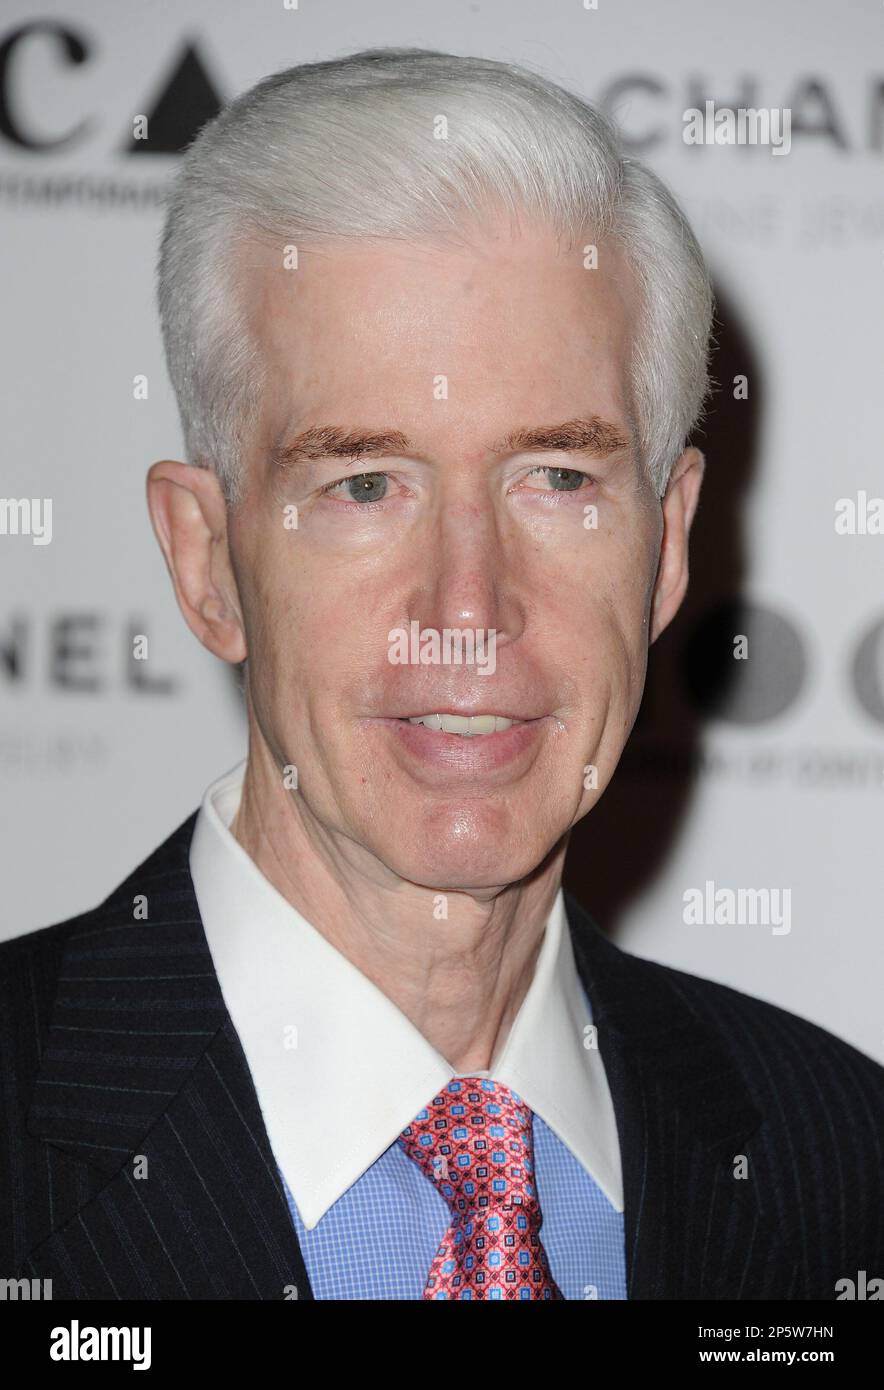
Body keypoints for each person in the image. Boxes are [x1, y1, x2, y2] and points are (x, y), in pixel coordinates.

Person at [2, 48, 881, 1301]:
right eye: (364, 484)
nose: (467, 609)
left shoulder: (842, 1166)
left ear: (667, 543)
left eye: (557, 479)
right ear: (207, 564)